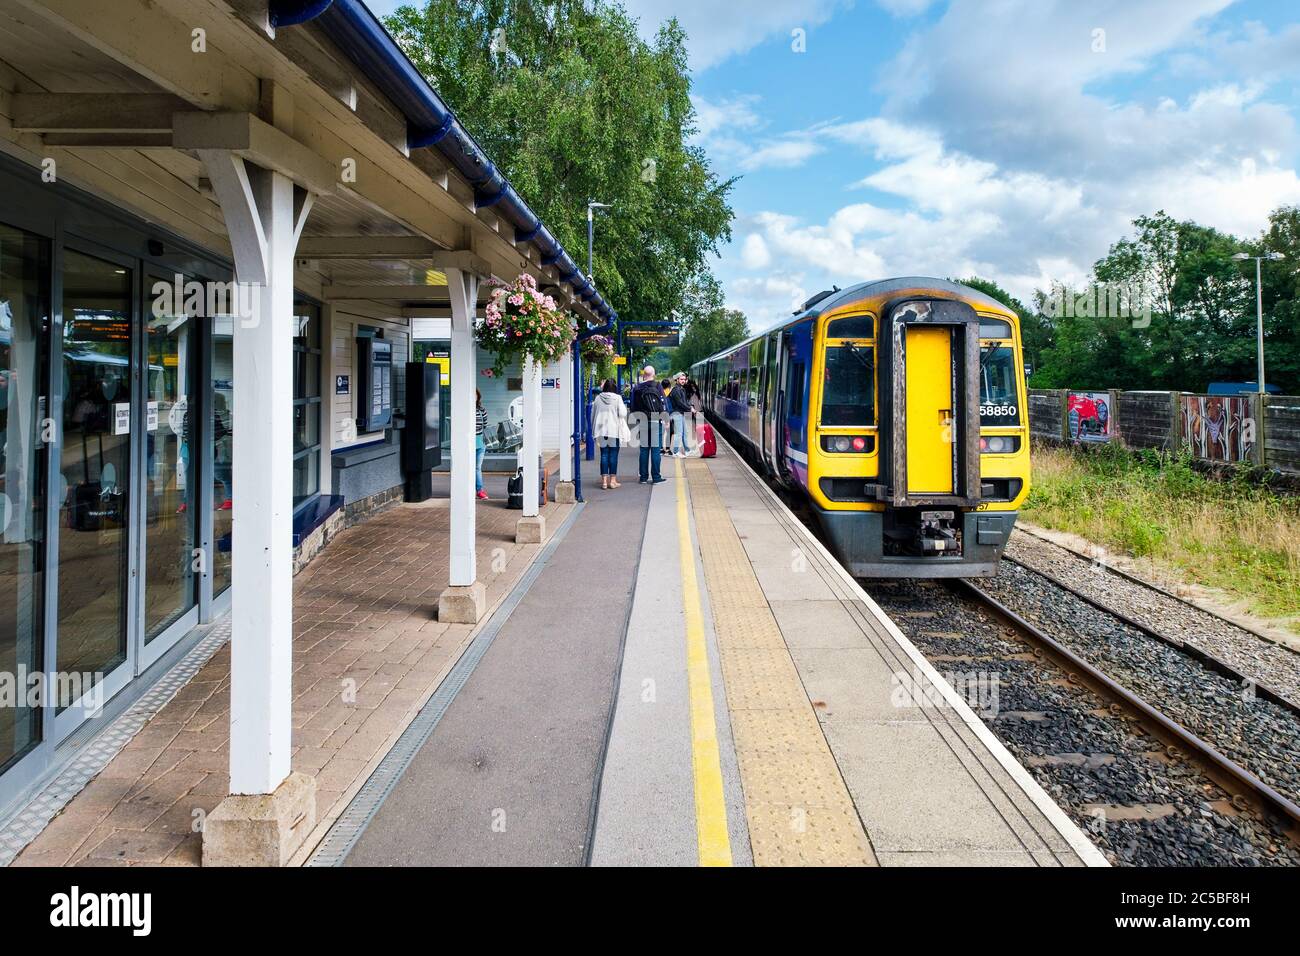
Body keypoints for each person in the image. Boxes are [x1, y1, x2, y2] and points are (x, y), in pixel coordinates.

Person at [630, 365, 666, 484]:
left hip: (643, 420)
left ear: (644, 374)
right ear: (654, 374)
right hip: (656, 419)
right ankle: (656, 477)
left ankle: (643, 477)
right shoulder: (658, 385)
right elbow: (663, 403)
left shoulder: (637, 388)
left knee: (644, 450)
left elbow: (633, 407)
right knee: (655, 450)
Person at [591, 378, 629, 489]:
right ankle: (612, 481)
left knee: (603, 455)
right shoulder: (617, 398)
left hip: (601, 430)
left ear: (605, 387)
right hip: (614, 430)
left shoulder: (598, 398)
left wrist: (593, 430)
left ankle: (604, 482)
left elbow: (592, 414)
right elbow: (622, 413)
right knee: (613, 455)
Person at [668, 372, 691, 456]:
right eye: (681, 379)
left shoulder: (681, 389)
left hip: (681, 413)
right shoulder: (676, 390)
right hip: (676, 414)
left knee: (685, 433)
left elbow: (684, 401)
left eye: (684, 379)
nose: (683, 381)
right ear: (677, 380)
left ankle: (687, 450)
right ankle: (675, 451)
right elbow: (680, 403)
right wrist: (689, 409)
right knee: (679, 433)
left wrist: (690, 406)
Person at [475, 389, 489, 500]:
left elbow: (485, 425)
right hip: (467, 443)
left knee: (477, 468)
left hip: (480, 443)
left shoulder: (482, 410)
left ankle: (479, 491)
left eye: (475, 395)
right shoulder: (464, 409)